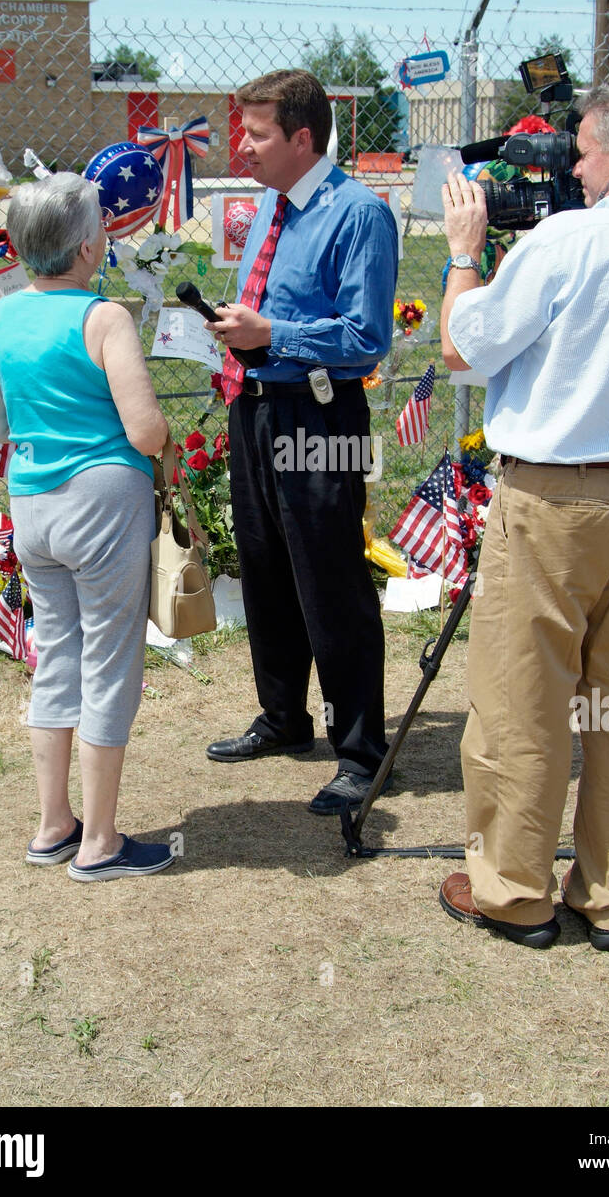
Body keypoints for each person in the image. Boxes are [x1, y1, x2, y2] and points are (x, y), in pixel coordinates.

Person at [437, 85, 609, 949]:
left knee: (524, 696)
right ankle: (608, 894)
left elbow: (461, 347)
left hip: (557, 496)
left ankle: (515, 890)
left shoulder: (569, 239)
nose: (576, 169)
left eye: (586, 152)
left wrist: (463, 253)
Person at [203, 69, 398, 814]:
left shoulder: (359, 215)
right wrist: (238, 330)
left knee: (330, 576)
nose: (241, 147)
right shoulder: (270, 209)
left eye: (256, 134)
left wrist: (273, 334)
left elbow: (365, 338)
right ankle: (285, 717)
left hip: (322, 419)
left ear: (302, 137)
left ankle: (362, 751)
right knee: (264, 564)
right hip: (255, 408)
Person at [0, 172, 174, 882]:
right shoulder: (104, 318)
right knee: (111, 663)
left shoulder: (3, 316)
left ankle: (54, 822)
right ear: (91, 245)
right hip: (102, 502)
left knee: (55, 654)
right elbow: (145, 430)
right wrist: (166, 434)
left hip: (33, 506)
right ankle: (102, 842)